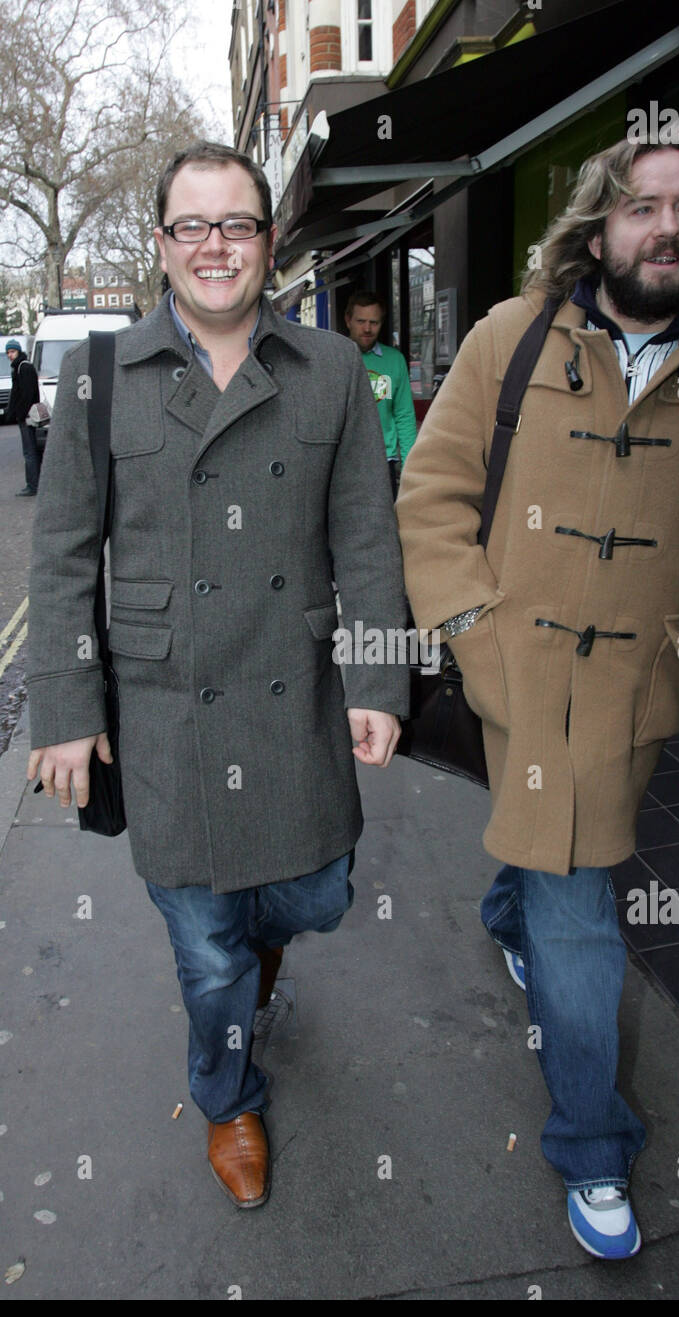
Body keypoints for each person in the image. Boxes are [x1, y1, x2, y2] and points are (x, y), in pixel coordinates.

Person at [396, 137, 679, 1259]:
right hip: (515, 670)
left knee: (548, 853)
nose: (668, 227)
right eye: (644, 207)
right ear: (597, 226)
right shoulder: (506, 340)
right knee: (580, 911)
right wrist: (472, 629)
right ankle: (593, 1144)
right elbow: (433, 494)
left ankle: (504, 912)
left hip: (641, 688)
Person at [26, 141, 408, 1210]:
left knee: (318, 892)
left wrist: (378, 680)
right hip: (164, 705)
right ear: (160, 245)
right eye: (190, 226)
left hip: (294, 690)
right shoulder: (100, 374)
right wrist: (64, 708)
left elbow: (367, 539)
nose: (214, 246)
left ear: (268, 240)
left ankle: (259, 950)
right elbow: (60, 554)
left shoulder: (328, 370)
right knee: (206, 954)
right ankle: (229, 1091)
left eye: (235, 224)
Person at [344, 291, 417, 497]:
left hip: (384, 461)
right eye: (361, 321)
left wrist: (410, 467)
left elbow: (404, 416)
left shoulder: (394, 360)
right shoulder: (335, 358)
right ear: (348, 320)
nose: (367, 328)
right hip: (344, 462)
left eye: (374, 322)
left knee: (385, 526)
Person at [6, 339, 43, 496]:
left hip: (27, 417)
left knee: (29, 452)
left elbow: (26, 394)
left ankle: (33, 485)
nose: (10, 355)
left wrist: (20, 413)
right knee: (32, 451)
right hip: (26, 415)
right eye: (8, 352)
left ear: (18, 351)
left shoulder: (23, 367)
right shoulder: (20, 367)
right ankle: (36, 484)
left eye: (12, 352)